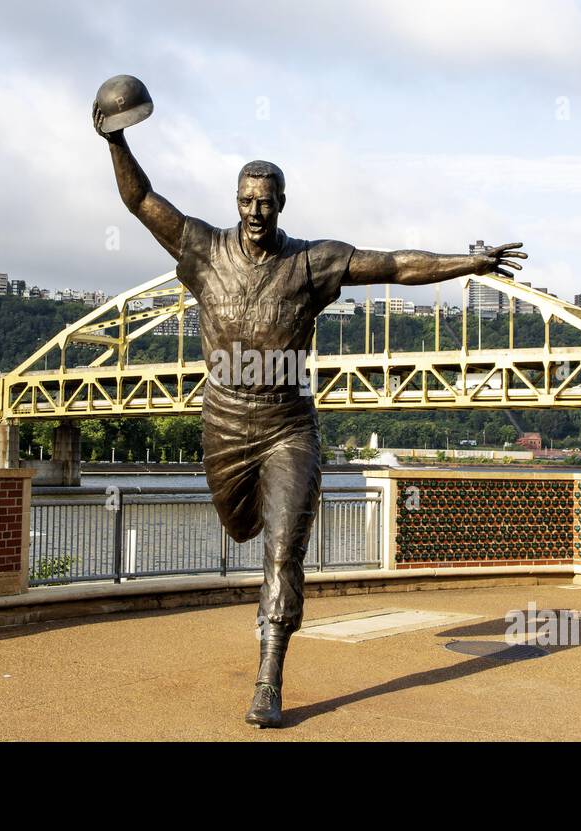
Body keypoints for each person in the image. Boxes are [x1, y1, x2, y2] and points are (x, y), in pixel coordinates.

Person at [93, 104, 526, 728]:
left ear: (282, 203)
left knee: (281, 554)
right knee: (239, 527)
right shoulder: (203, 251)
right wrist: (115, 139)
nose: (254, 212)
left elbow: (397, 266)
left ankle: (268, 680)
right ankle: (264, 606)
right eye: (245, 200)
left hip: (287, 427)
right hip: (223, 426)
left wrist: (470, 262)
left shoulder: (310, 263)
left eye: (265, 202)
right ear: (235, 200)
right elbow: (141, 199)